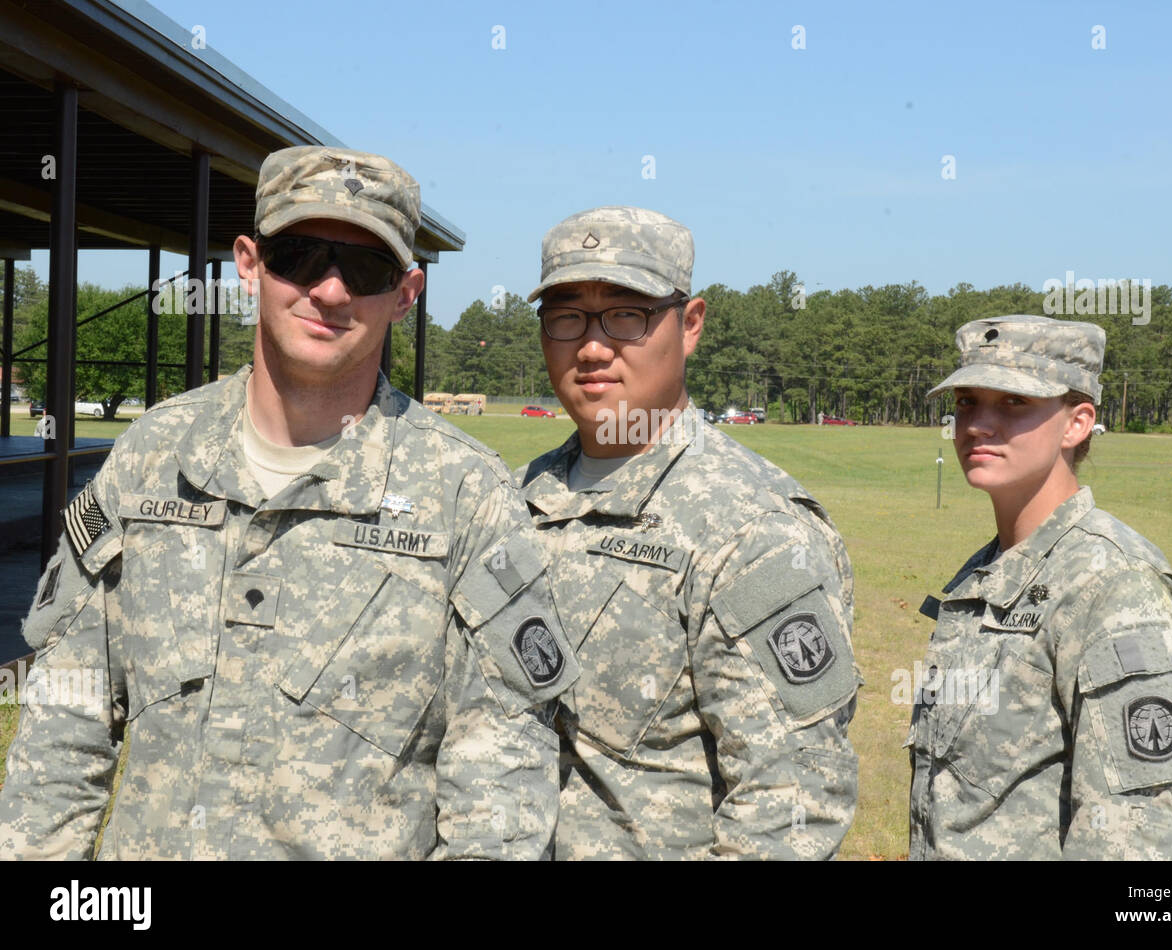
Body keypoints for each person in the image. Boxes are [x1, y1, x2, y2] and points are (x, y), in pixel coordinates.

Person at [0, 146, 577, 860]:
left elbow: (502, 788)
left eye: (365, 269)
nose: (330, 291)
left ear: (406, 293)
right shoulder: (155, 457)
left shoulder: (463, 494)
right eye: (300, 256)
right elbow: (65, 726)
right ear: (249, 262)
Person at [517, 206, 861, 859]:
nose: (592, 346)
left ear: (691, 324)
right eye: (567, 315)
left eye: (627, 314)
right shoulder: (512, 502)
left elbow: (792, 804)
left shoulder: (750, 529)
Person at [909, 314, 1172, 859]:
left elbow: (1139, 841)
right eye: (967, 402)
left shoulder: (1114, 587)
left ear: (1077, 423)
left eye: (1014, 403)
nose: (978, 423)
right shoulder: (991, 570)